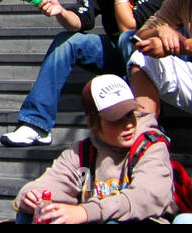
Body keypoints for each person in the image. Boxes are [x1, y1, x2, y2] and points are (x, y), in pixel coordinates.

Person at [1, 0, 176, 147]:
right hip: (119, 52)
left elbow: (130, 28)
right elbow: (81, 20)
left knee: (127, 38)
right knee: (67, 41)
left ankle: (147, 125)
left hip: (159, 58)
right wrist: (60, 11)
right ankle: (36, 124)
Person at [12, 75, 177, 223]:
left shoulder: (151, 145)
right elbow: (49, 183)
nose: (128, 125)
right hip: (96, 218)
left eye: (129, 114)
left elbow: (145, 197)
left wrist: (85, 211)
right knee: (31, 214)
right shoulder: (82, 152)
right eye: (116, 119)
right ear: (93, 123)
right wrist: (32, 196)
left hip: (145, 221)